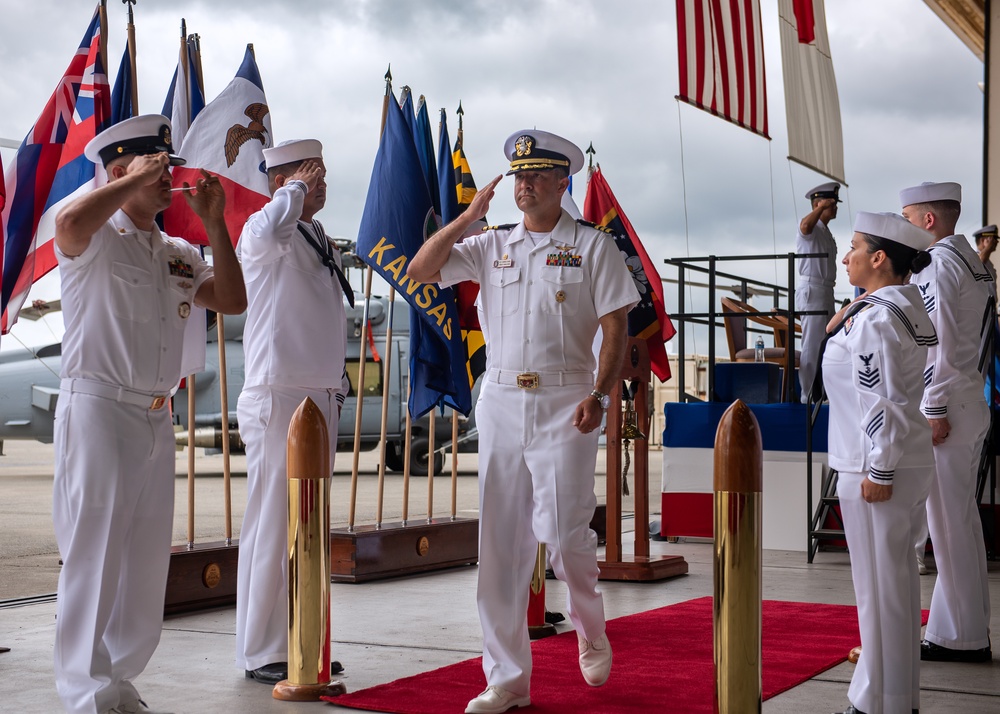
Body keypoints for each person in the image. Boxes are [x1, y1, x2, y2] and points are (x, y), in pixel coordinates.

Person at [407, 130, 638, 714]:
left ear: (565, 181)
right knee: (501, 547)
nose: (524, 184)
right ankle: (507, 679)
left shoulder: (593, 247)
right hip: (503, 401)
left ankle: (590, 627)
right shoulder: (491, 245)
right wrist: (465, 220)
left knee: (563, 537)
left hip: (567, 402)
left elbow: (616, 328)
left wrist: (601, 395)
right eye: (518, 175)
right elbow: (420, 270)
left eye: (536, 174)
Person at [52, 114, 247, 714]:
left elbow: (233, 300)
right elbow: (67, 221)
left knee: (141, 562)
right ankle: (85, 693)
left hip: (157, 416)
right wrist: (123, 181)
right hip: (100, 407)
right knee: (94, 554)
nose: (171, 178)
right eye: (156, 167)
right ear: (117, 172)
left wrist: (214, 222)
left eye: (170, 167)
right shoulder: (94, 237)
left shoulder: (179, 253)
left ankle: (118, 681)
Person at [235, 139, 351, 685]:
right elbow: (261, 236)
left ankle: (303, 639)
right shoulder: (266, 229)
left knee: (309, 525)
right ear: (282, 183)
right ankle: (261, 649)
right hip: (278, 394)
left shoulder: (314, 234)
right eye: (310, 177)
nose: (320, 186)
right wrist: (293, 191)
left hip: (318, 393)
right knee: (272, 524)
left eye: (321, 177)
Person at [823, 212, 937, 714]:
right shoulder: (901, 307)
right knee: (894, 587)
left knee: (878, 591)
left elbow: (880, 402)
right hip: (903, 457)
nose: (844, 256)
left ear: (879, 257)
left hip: (875, 464)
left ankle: (875, 703)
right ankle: (895, 699)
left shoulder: (873, 319)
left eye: (853, 247)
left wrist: (878, 470)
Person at [900, 182, 995, 664]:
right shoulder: (974, 263)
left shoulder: (937, 263)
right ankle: (959, 628)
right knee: (960, 521)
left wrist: (932, 408)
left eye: (908, 216)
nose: (905, 225)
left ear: (929, 220)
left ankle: (963, 638)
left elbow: (937, 341)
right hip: (969, 400)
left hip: (949, 405)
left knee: (950, 524)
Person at [797, 182, 841, 403]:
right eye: (831, 204)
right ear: (819, 204)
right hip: (812, 289)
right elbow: (805, 225)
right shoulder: (810, 228)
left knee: (826, 341)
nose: (835, 208)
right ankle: (806, 395)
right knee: (812, 343)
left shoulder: (826, 232)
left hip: (825, 290)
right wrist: (819, 208)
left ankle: (820, 392)